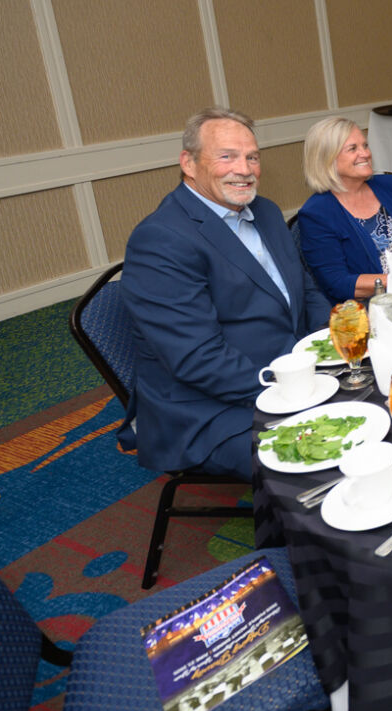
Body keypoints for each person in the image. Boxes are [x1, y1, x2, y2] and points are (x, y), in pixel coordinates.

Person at [123, 108, 328, 478]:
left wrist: (335, 345)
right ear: (188, 163)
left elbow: (305, 288)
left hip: (289, 367)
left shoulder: (264, 211)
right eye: (227, 156)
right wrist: (290, 388)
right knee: (328, 457)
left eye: (252, 157)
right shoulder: (161, 240)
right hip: (209, 410)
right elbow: (198, 358)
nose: (244, 169)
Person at [297, 115, 392, 302]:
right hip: (377, 305)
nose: (365, 153)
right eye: (353, 149)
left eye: (365, 146)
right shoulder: (317, 213)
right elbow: (338, 283)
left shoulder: (389, 185)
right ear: (327, 159)